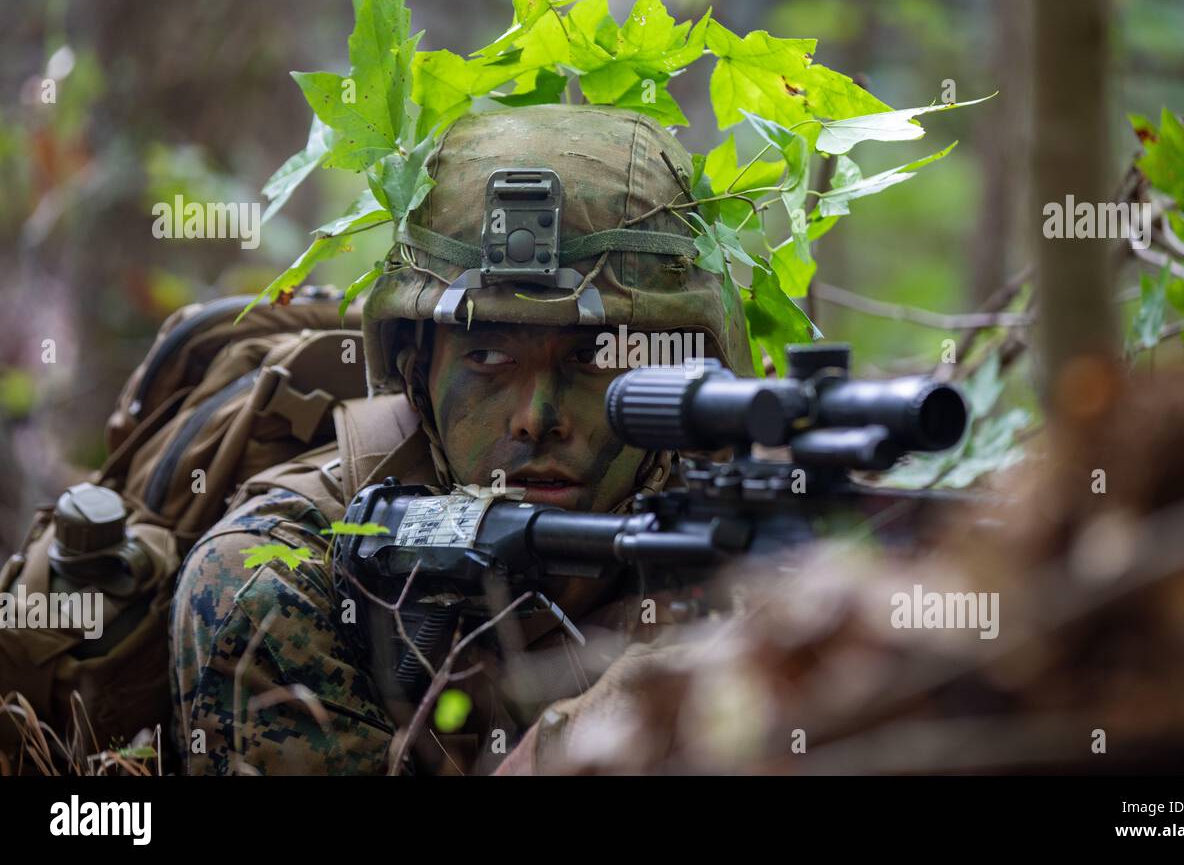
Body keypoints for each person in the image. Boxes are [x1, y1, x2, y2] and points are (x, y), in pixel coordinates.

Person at [169, 103, 753, 775]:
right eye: (488, 359)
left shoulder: (738, 546)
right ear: (419, 373)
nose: (536, 417)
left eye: (594, 358)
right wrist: (573, 746)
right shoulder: (277, 579)